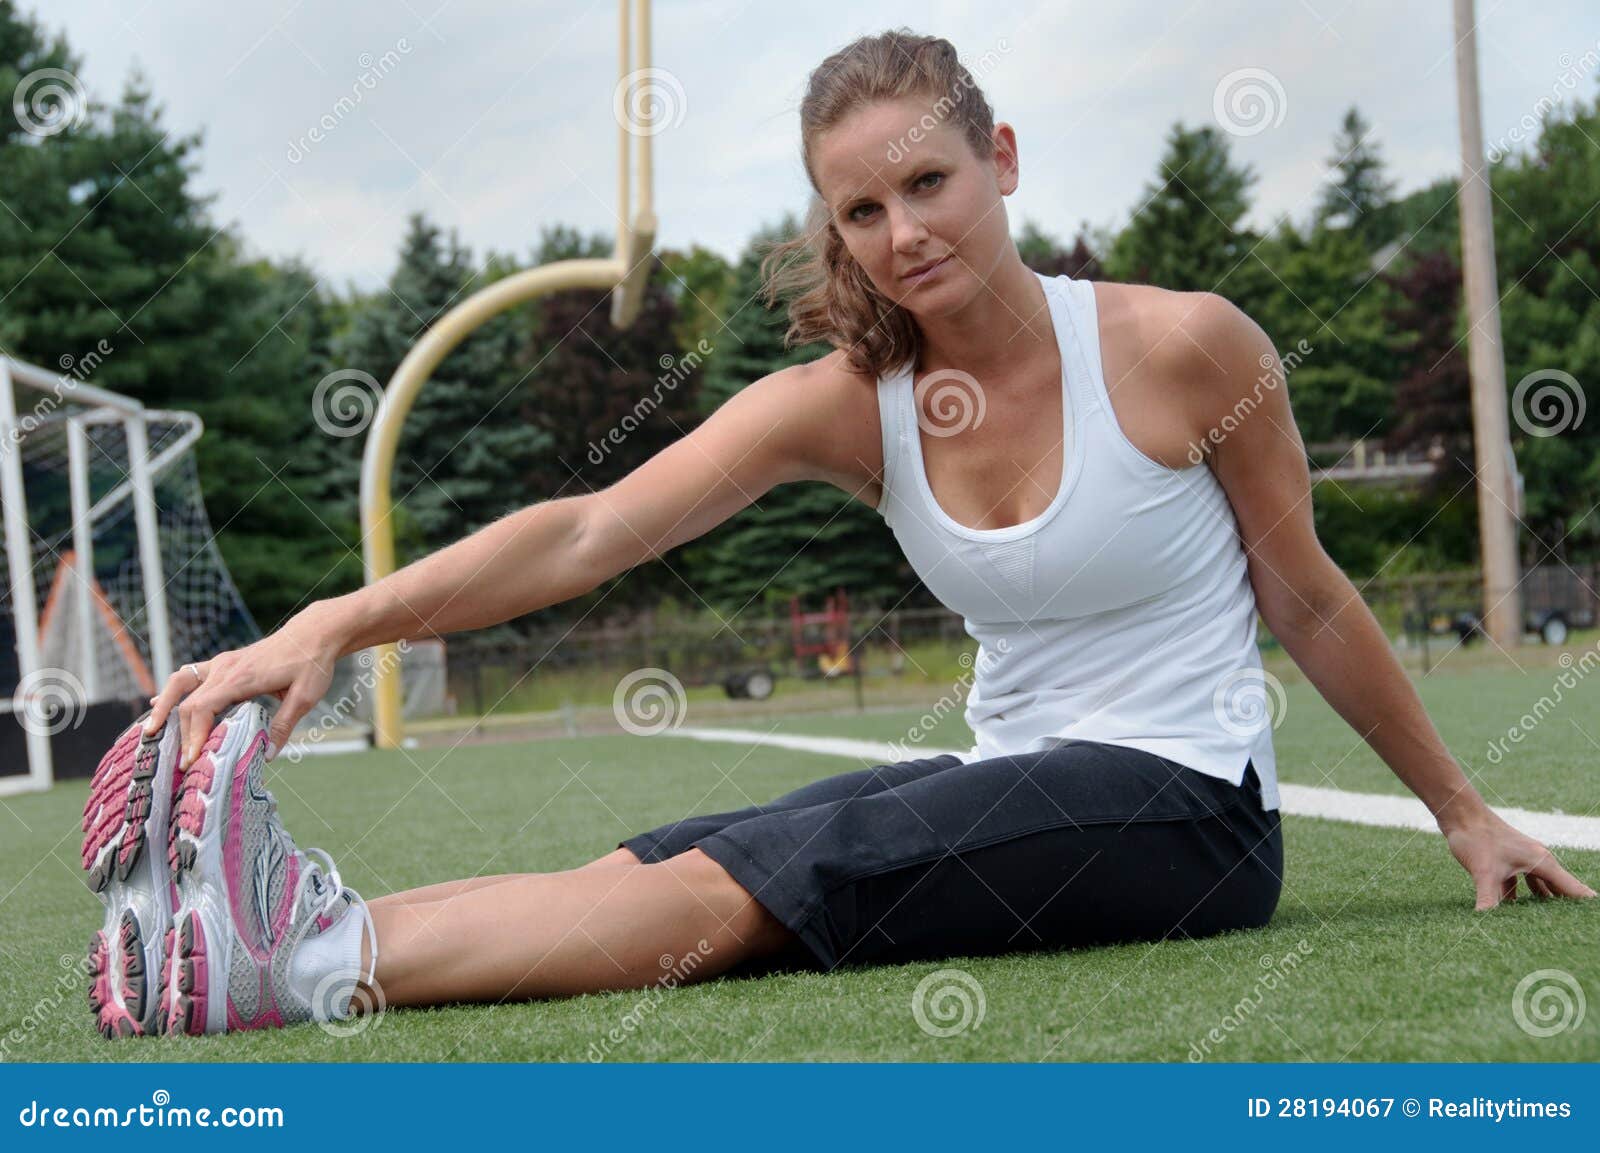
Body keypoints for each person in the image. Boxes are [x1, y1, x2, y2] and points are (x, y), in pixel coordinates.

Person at [87, 28, 1595, 1039]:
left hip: (1188, 813)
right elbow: (589, 529)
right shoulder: (852, 399)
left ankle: (293, 960)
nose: (904, 233)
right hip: (1019, 783)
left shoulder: (1187, 347)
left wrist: (1462, 807)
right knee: (677, 854)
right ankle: (252, 937)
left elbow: (1312, 597)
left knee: (755, 887)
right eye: (861, 208)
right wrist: (327, 626)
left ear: (1002, 158)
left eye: (929, 183)